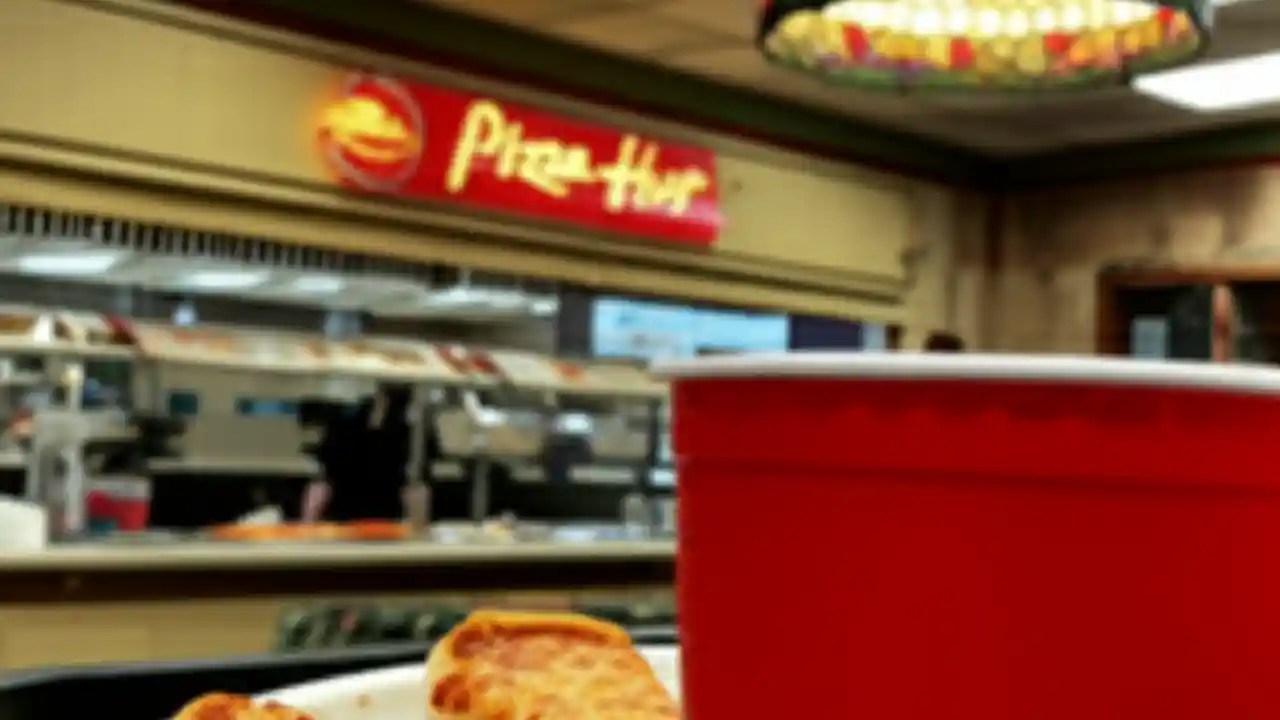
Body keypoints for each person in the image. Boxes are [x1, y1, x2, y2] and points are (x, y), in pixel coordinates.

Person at [301, 384, 414, 522]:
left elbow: (323, 483)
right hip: (379, 516)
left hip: (351, 515)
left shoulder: (345, 427)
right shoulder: (407, 434)